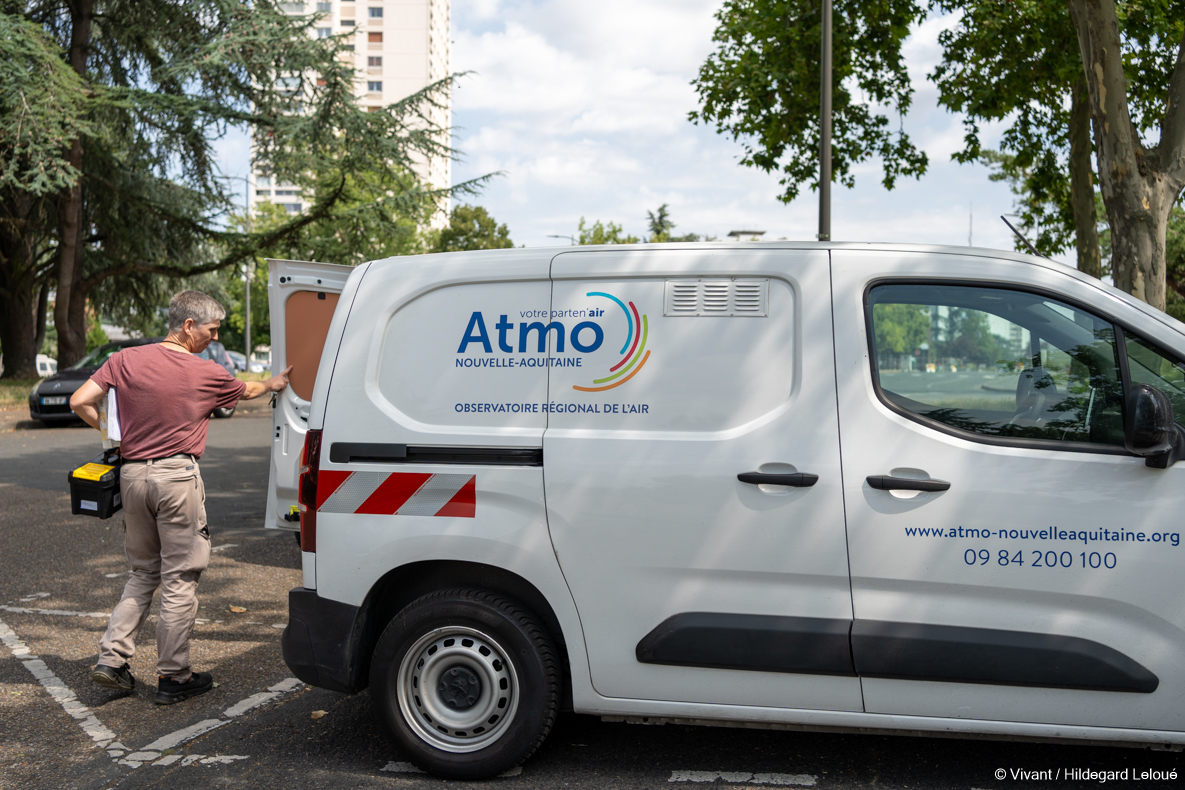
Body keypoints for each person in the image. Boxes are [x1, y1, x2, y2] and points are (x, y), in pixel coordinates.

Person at [69, 291, 293, 705]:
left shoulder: (123, 360)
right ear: (188, 326)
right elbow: (249, 389)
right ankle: (174, 677)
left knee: (141, 573)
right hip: (176, 477)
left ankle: (112, 662)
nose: (214, 337)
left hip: (132, 475)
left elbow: (79, 400)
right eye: (211, 329)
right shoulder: (202, 371)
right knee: (180, 577)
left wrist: (110, 435)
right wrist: (276, 383)